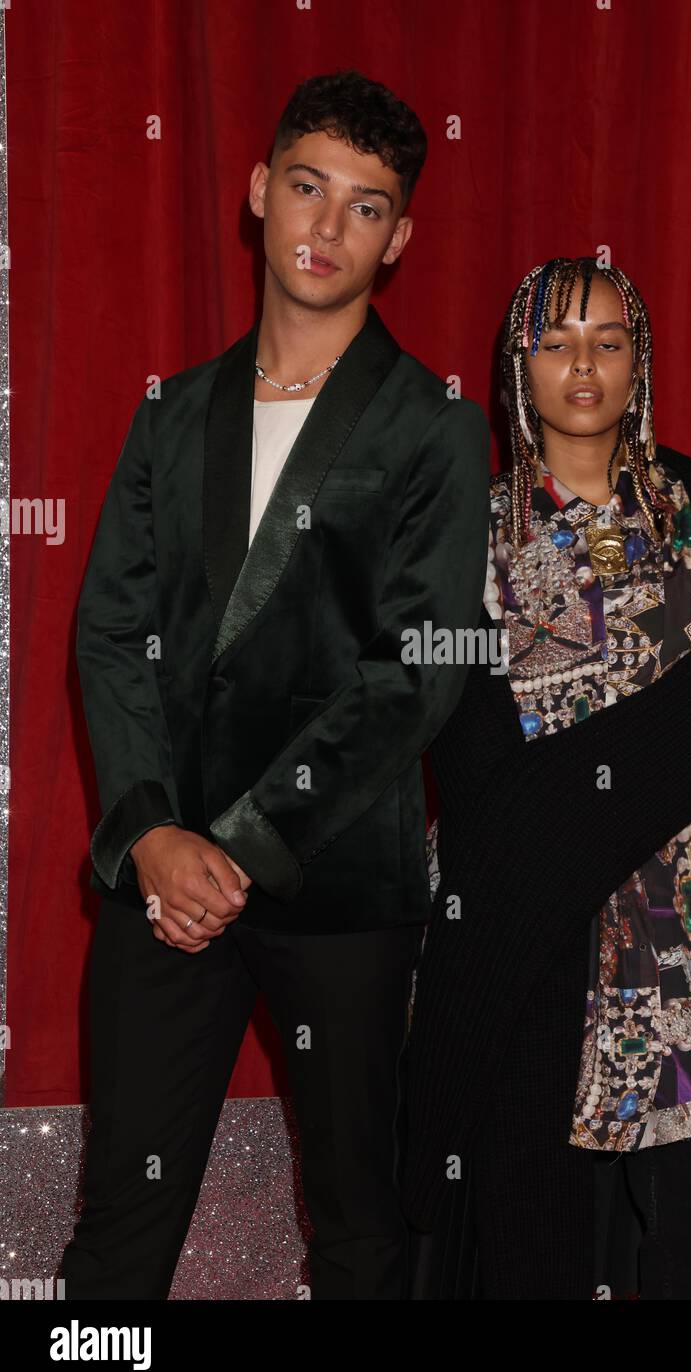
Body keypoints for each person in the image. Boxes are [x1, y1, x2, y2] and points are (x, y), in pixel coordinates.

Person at [58, 69, 490, 1301]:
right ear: (259, 192)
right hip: (161, 883)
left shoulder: (434, 428)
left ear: (398, 237)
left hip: (343, 885)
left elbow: (421, 670)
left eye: (365, 206)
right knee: (116, 1238)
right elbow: (110, 635)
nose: (326, 225)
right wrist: (149, 833)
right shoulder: (173, 414)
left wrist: (239, 845)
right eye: (307, 186)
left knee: (362, 1233)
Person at [400, 256, 691, 1299]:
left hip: (683, 924)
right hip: (524, 925)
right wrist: (599, 796)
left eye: (609, 341)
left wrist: (562, 797)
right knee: (531, 1212)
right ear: (518, 367)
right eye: (557, 342)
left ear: (639, 363)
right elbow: (466, 746)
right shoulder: (464, 532)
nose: (584, 364)